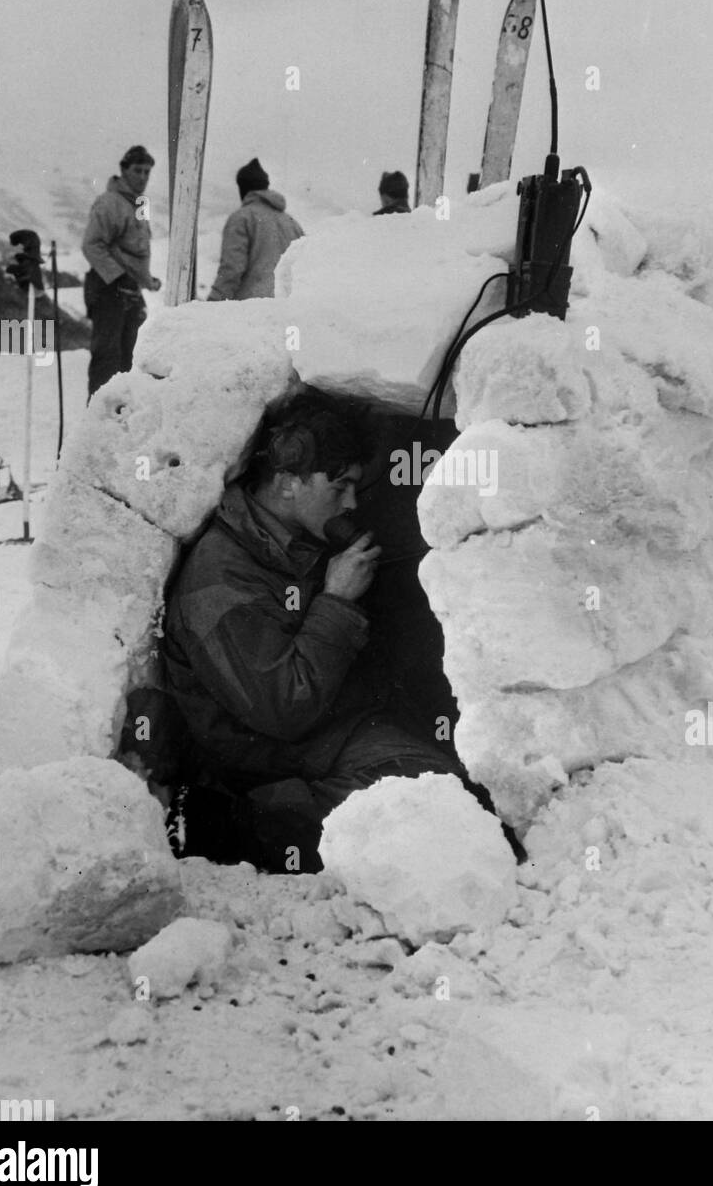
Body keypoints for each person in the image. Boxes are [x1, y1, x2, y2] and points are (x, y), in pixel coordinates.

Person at [162, 389, 465, 872]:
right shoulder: (220, 581)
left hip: (336, 725)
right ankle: (228, 823)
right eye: (338, 486)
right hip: (275, 747)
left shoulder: (288, 539)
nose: (349, 502)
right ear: (287, 482)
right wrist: (337, 601)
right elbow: (284, 708)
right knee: (430, 800)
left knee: (443, 790)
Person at [82, 145, 161, 398]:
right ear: (123, 170)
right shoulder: (109, 203)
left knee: (131, 358)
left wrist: (148, 281)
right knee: (108, 358)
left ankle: (119, 422)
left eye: (147, 172)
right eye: (137, 170)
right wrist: (119, 276)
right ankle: (98, 423)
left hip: (129, 289)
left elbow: (135, 254)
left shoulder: (138, 205)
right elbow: (92, 245)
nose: (143, 177)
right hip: (107, 289)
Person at [208, 158, 303, 301]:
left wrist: (213, 304)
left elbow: (232, 269)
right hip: (285, 310)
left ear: (243, 188)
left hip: (251, 310)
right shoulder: (292, 223)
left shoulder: (242, 218)